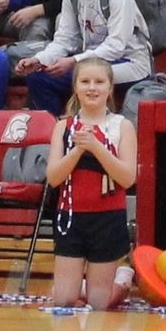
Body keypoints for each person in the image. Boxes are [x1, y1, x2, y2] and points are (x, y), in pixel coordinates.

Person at [42, 56, 139, 310]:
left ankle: (119, 284)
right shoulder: (63, 126)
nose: (92, 87)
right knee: (63, 300)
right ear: (75, 86)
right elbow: (53, 177)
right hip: (70, 218)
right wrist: (76, 151)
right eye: (85, 81)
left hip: (108, 219)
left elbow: (128, 178)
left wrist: (95, 147)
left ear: (109, 87)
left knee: (98, 304)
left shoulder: (122, 126)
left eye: (99, 81)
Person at [14, 0, 155, 113]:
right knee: (38, 77)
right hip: (91, 62)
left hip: (131, 62)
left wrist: (74, 61)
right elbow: (64, 41)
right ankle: (57, 130)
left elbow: (116, 46)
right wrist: (39, 60)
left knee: (87, 76)